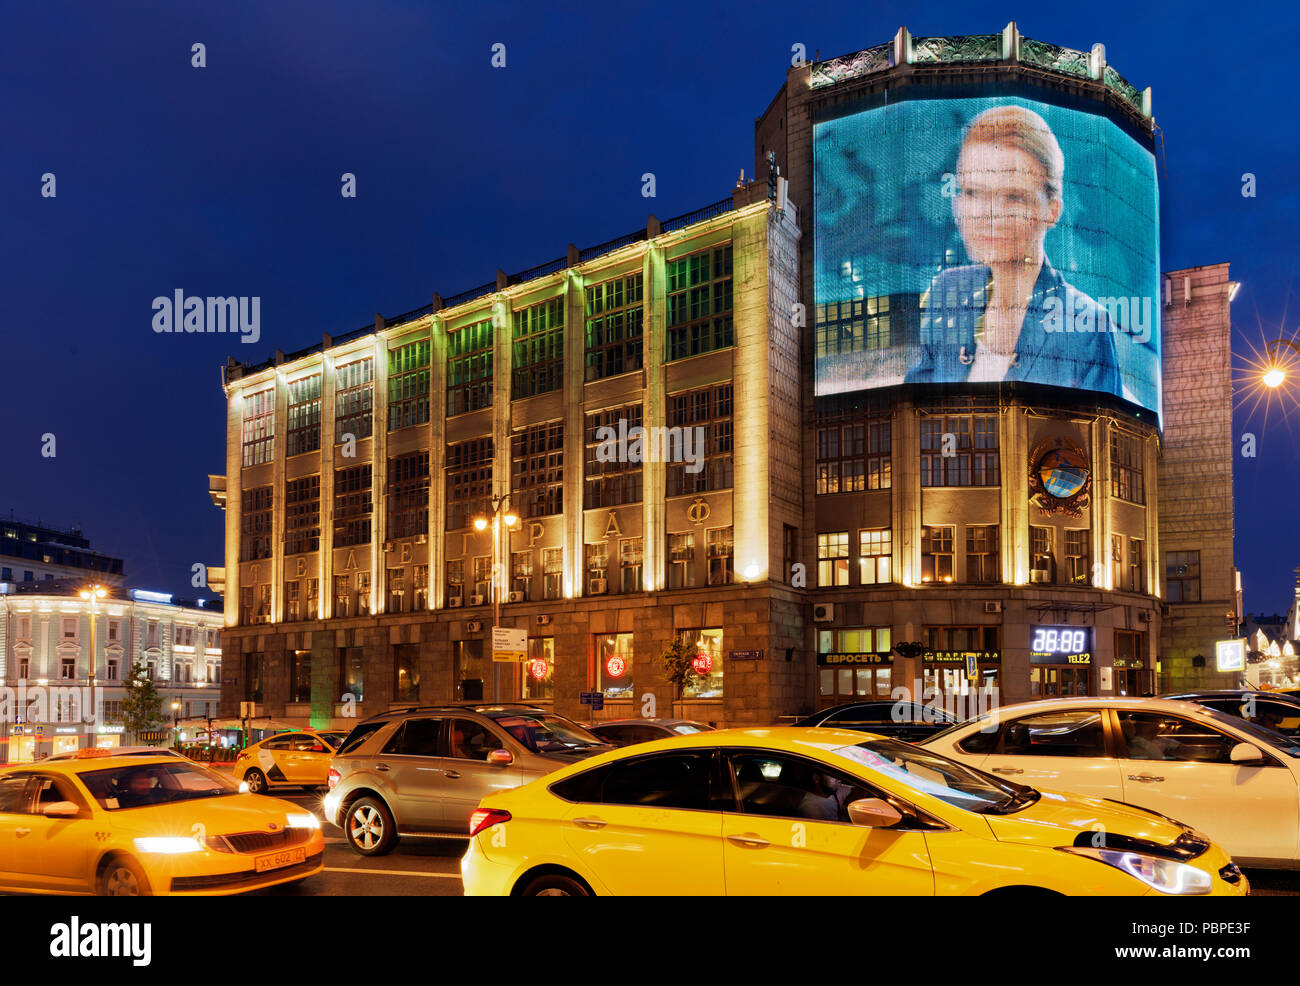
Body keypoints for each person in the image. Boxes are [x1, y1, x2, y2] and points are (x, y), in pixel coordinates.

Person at [906, 105, 1122, 392]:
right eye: (972, 192)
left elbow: (1098, 431)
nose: (987, 215)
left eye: (1014, 197)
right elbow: (915, 409)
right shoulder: (947, 291)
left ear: (1052, 211)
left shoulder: (1086, 326)